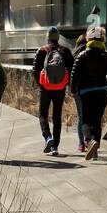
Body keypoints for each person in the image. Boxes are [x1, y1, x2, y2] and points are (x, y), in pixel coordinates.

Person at [70, 24, 107, 161]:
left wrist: (73, 90)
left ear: (88, 38)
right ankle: (95, 149)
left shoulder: (82, 55)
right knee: (97, 121)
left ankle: (89, 141)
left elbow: (74, 75)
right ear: (103, 39)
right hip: (102, 92)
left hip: (86, 93)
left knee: (86, 120)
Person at [30, 26, 73, 156]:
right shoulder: (65, 51)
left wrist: (41, 84)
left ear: (48, 37)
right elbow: (72, 69)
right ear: (58, 37)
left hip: (45, 88)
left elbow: (35, 70)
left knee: (43, 114)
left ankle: (48, 137)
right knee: (57, 116)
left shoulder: (42, 50)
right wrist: (66, 84)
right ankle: (55, 147)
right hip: (60, 88)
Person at [72, 33, 88, 153]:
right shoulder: (89, 53)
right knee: (90, 116)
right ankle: (89, 141)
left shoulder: (74, 54)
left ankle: (81, 144)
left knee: (81, 117)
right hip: (89, 89)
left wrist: (72, 89)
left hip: (77, 90)